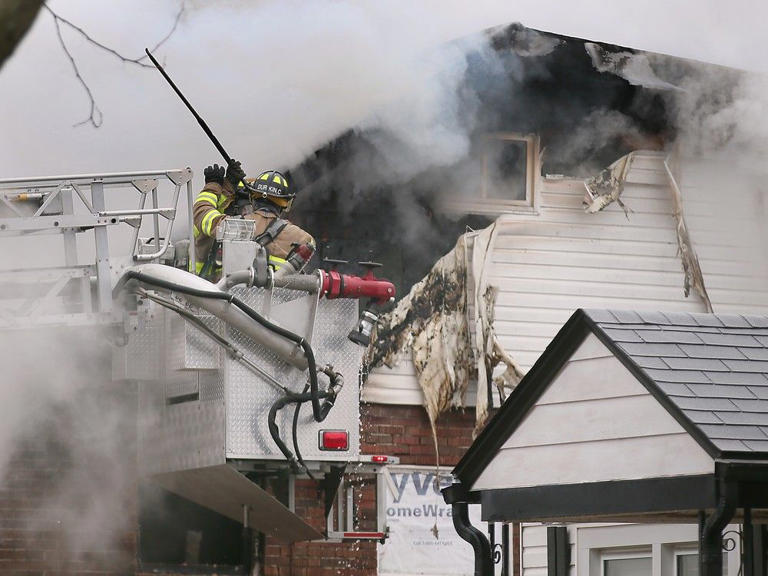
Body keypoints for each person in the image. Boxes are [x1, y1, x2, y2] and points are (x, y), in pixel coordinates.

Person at [192, 160, 315, 280]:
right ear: (285, 204)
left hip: (232, 297)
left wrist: (214, 186)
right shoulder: (305, 239)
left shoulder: (234, 227)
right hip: (279, 299)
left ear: (252, 198)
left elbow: (202, 214)